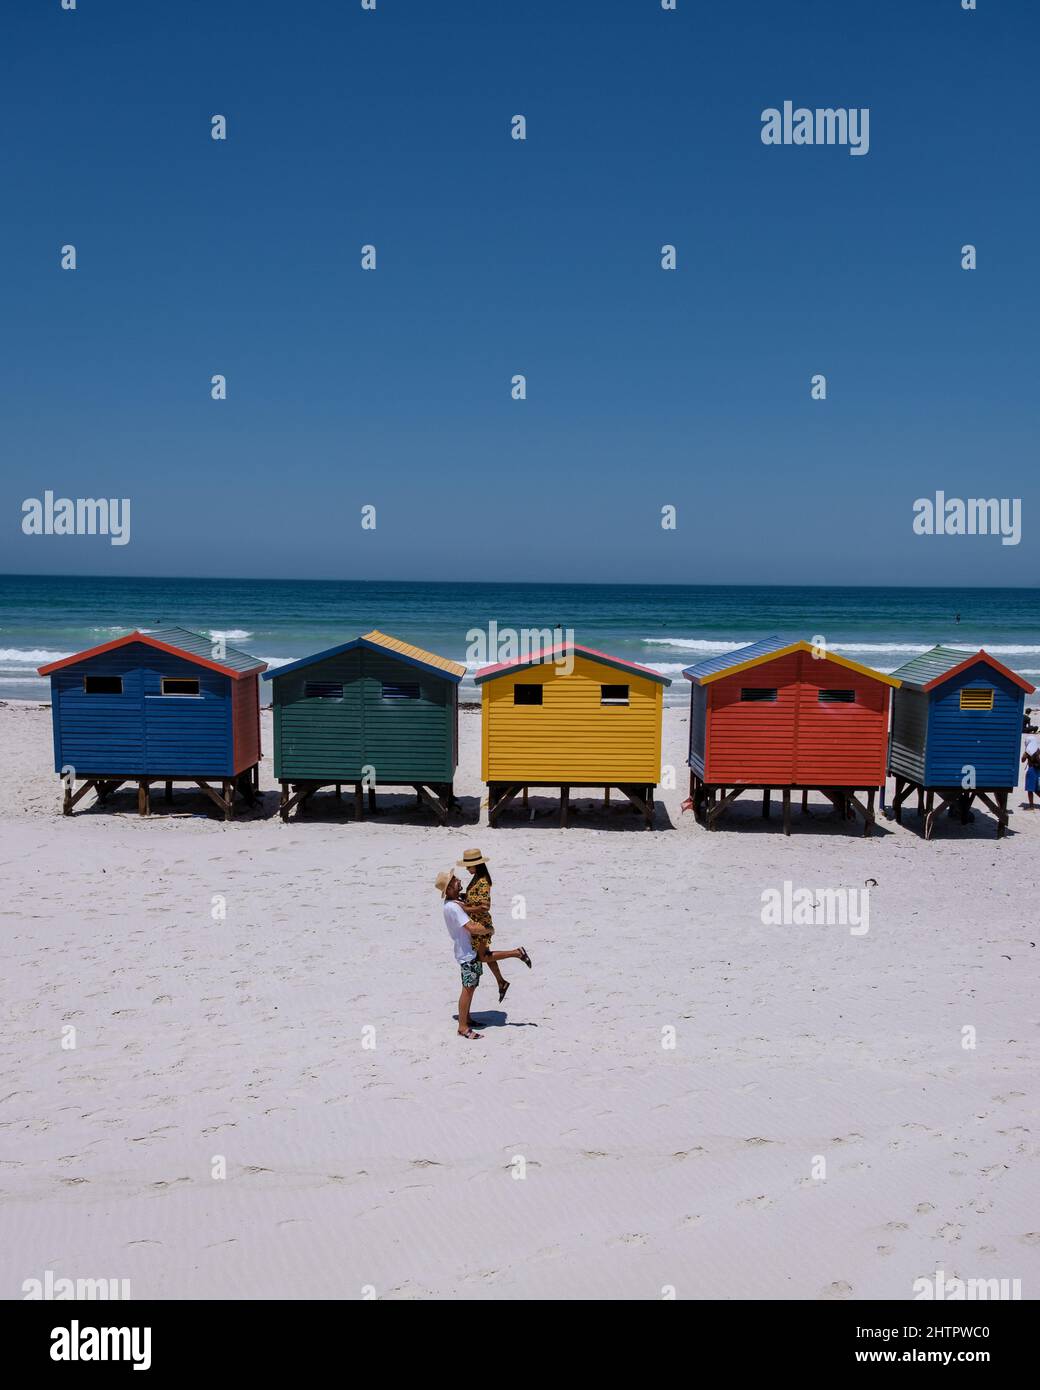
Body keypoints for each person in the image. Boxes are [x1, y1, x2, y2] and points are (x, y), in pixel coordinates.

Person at [436, 871, 531, 1040]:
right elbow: (471, 928)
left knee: (471, 986)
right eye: (455, 880)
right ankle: (463, 1027)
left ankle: (467, 1019)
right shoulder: (453, 907)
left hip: (468, 950)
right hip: (466, 953)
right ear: (449, 888)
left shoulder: (455, 901)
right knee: (468, 989)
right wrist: (489, 929)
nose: (459, 880)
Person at [456, 848, 528, 1003]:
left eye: (469, 866)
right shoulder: (477, 877)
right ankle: (501, 982)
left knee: (482, 956)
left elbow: (485, 906)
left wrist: (466, 908)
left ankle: (517, 953)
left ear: (476, 865)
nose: (467, 869)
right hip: (477, 923)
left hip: (481, 924)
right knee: (486, 955)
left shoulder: (482, 882)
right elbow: (475, 898)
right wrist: (464, 897)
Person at [1022, 734, 1040, 810]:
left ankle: (1031, 806)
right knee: (1037, 789)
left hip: (1032, 770)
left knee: (1030, 789)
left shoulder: (1028, 750)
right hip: (1038, 770)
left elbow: (1022, 760)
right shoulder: (1038, 749)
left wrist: (1025, 753)